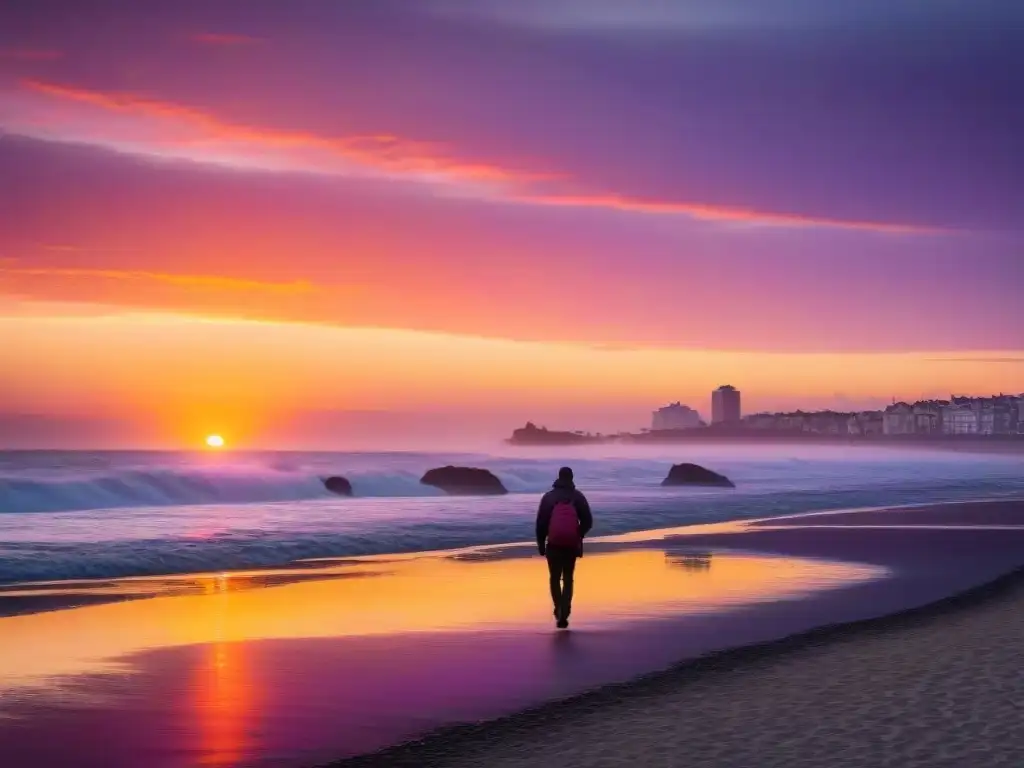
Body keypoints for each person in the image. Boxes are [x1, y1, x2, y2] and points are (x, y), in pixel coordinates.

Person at [536, 466, 593, 628]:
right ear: (572, 478)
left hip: (553, 544)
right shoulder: (578, 497)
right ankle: (566, 610)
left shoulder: (548, 497)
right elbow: (588, 521)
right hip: (571, 544)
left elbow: (541, 523)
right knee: (568, 578)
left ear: (558, 477)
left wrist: (541, 543)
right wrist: (578, 534)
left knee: (554, 577)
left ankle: (558, 607)